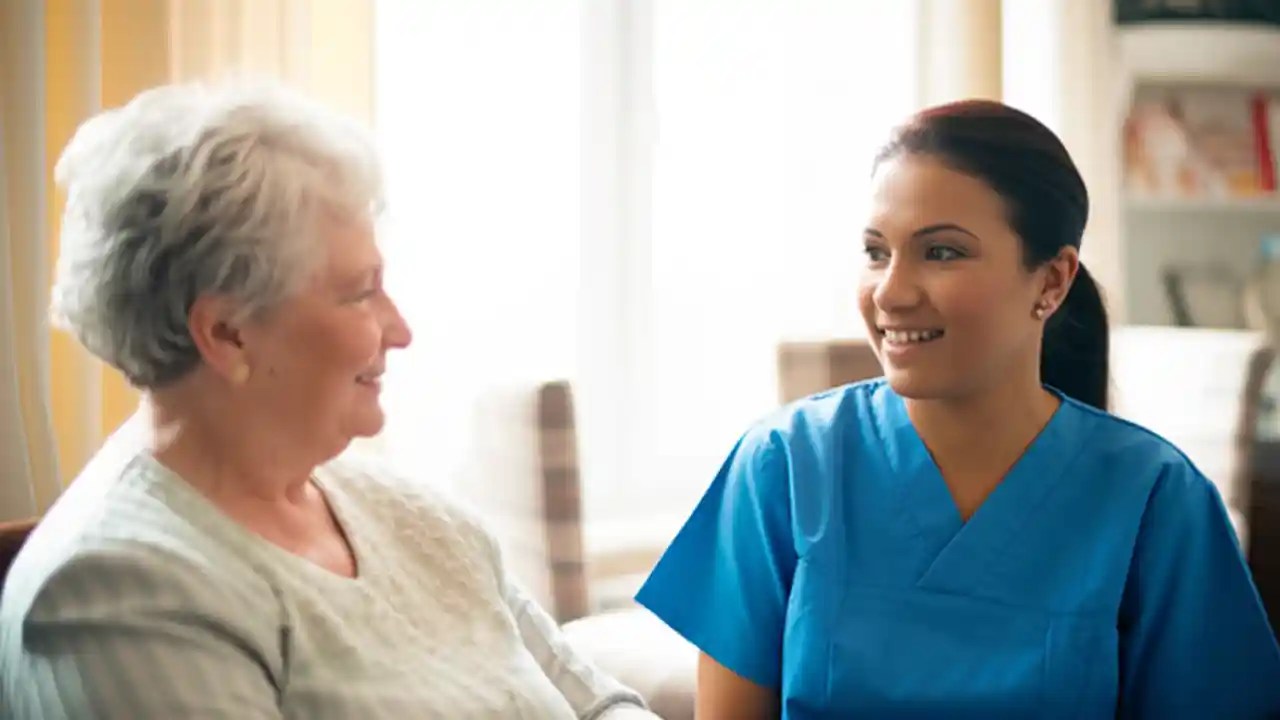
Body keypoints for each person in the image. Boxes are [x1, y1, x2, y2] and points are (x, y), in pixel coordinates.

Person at [0, 82, 656, 720]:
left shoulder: (420, 519)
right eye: (359, 292)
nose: (400, 330)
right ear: (227, 333)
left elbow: (599, 702)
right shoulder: (113, 595)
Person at [634, 100, 1280, 719]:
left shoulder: (1155, 498)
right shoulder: (783, 466)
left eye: (941, 251)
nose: (891, 291)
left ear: (1052, 281)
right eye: (876, 252)